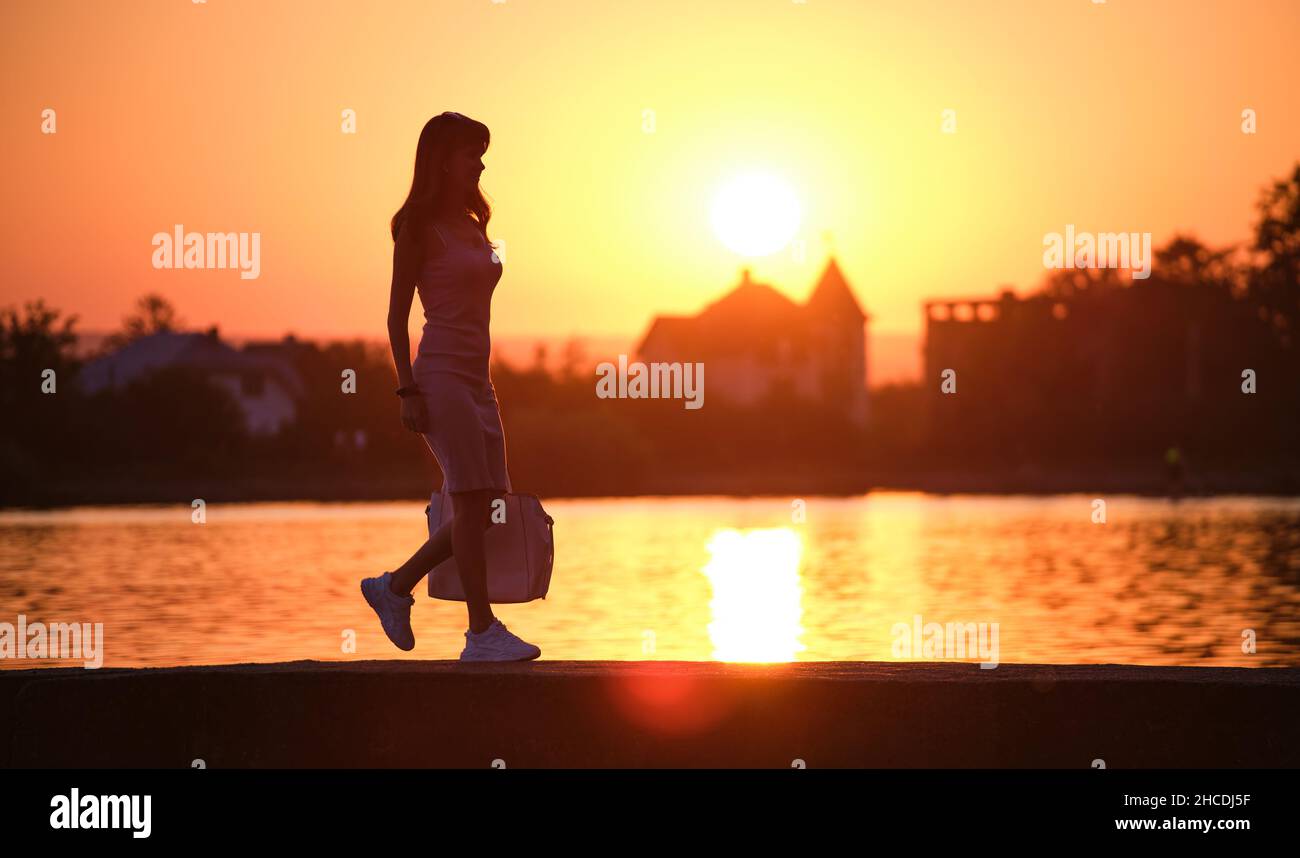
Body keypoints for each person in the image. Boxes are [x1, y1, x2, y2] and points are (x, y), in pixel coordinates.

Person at [360, 111, 540, 662]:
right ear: (441, 160)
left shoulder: (471, 223)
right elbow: (394, 319)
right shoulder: (418, 230)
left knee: (486, 509)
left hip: (478, 381)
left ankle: (393, 587)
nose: (481, 163)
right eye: (471, 153)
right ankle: (481, 633)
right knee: (467, 498)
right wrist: (407, 391)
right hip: (439, 377)